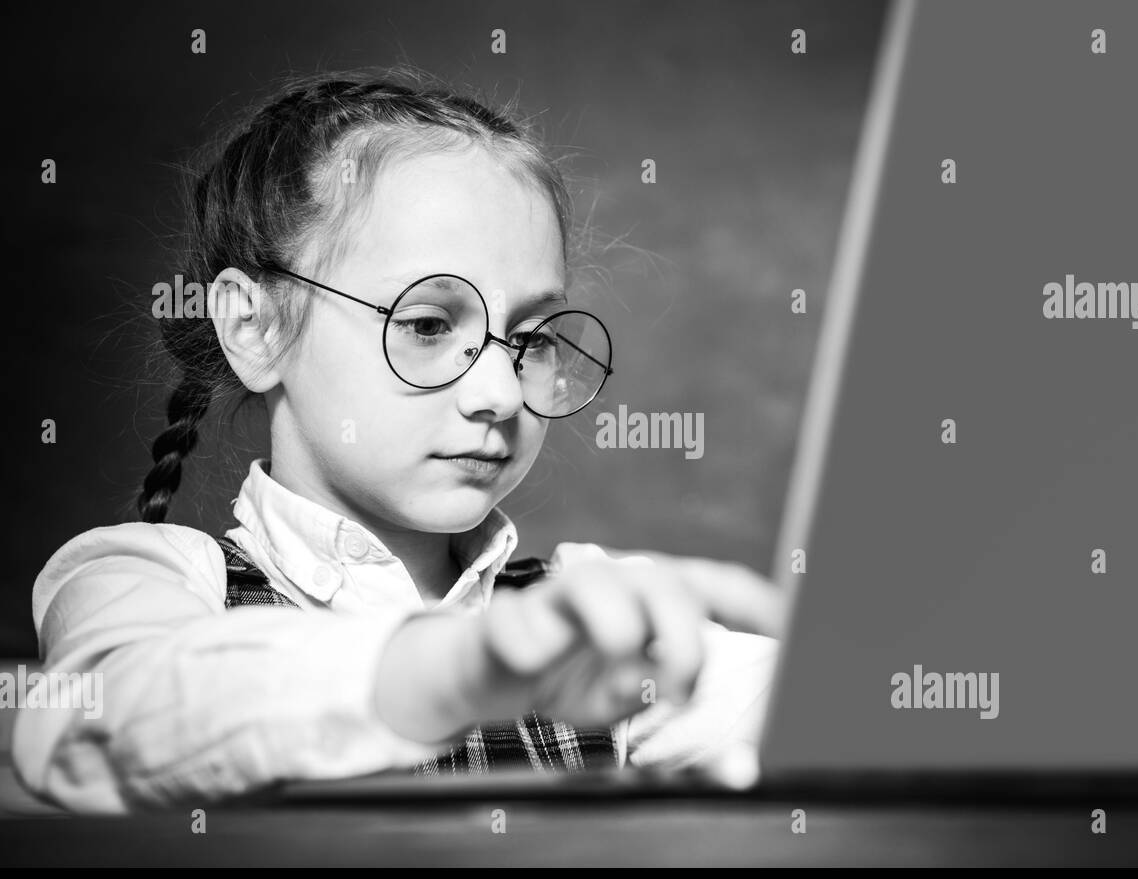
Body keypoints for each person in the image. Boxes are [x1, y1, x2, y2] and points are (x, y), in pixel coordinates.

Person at [13, 68, 783, 814]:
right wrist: (452, 667)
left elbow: (828, 713)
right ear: (254, 325)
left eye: (529, 338)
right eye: (426, 325)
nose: (501, 393)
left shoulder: (591, 614)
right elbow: (108, 721)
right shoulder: (142, 577)